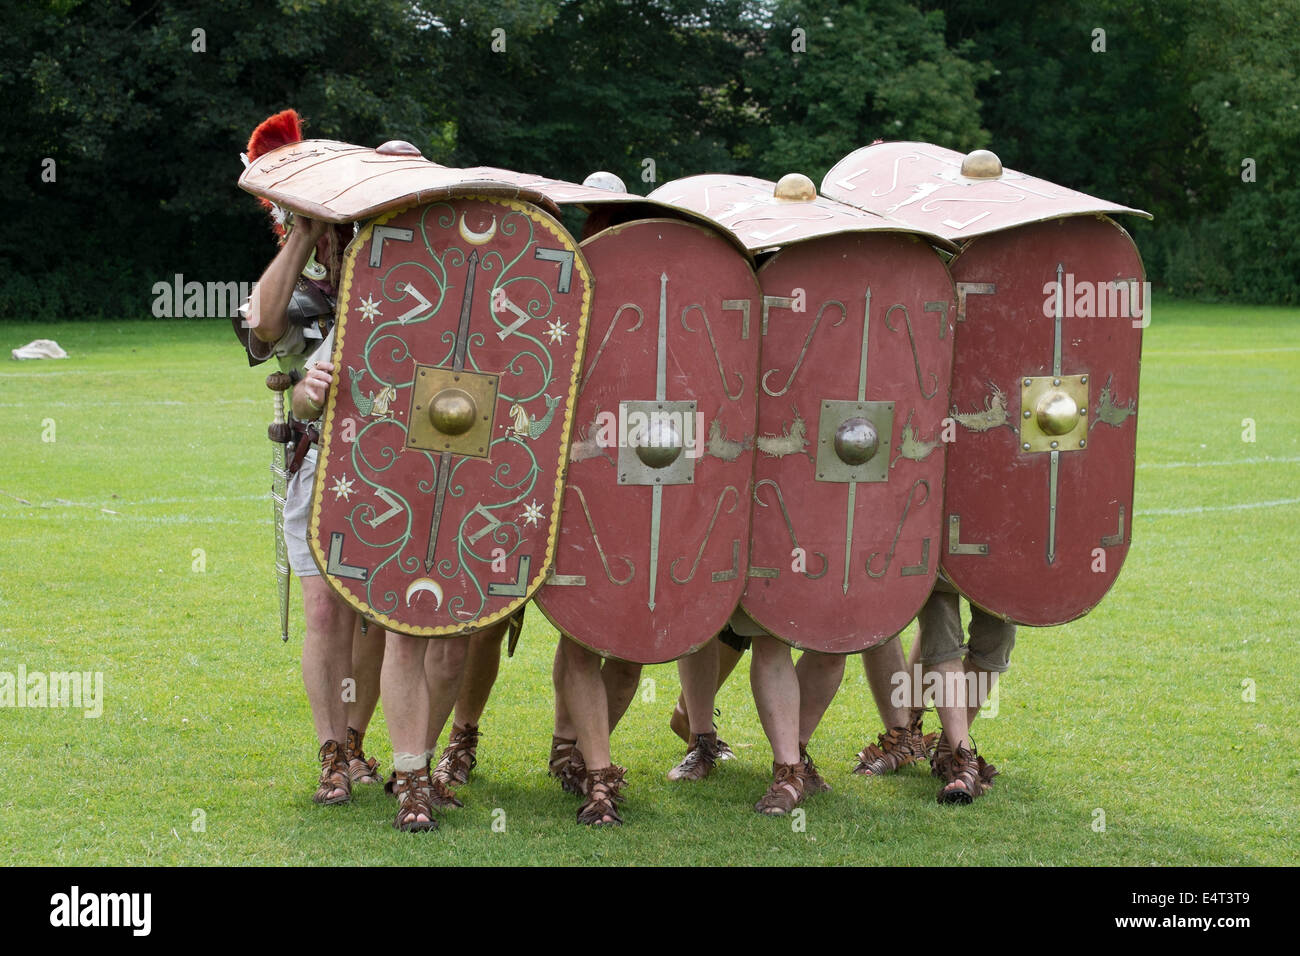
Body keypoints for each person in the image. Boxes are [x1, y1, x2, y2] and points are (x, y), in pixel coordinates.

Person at [238, 109, 385, 806]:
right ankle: (331, 752)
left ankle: (358, 742)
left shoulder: (392, 263)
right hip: (320, 463)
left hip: (394, 463)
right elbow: (263, 327)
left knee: (381, 613)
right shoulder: (301, 276)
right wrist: (300, 223)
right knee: (326, 611)